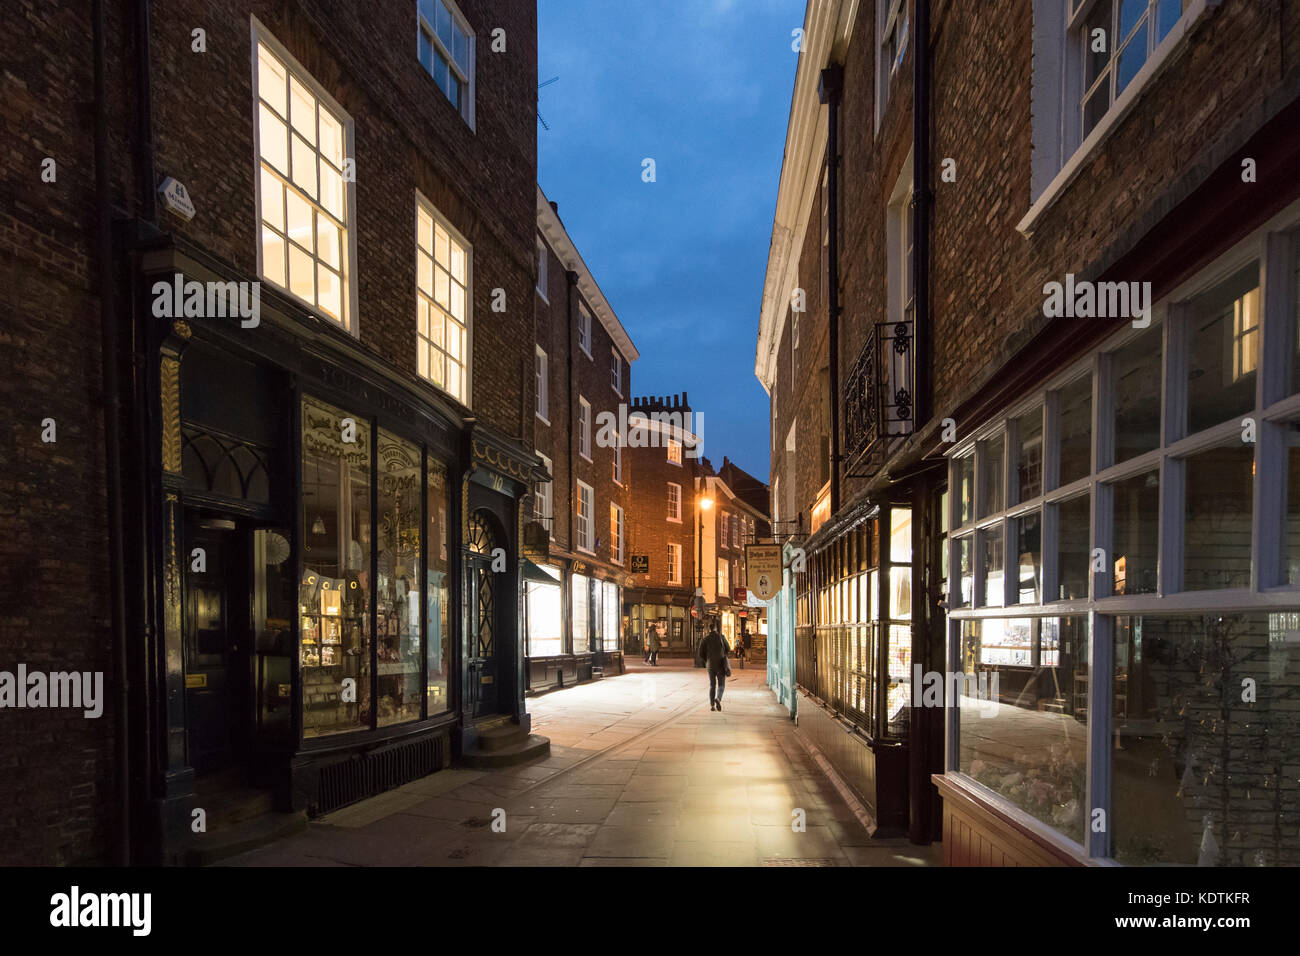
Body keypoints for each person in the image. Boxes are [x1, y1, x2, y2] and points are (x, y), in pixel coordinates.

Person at [697, 623, 731, 711]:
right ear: (716, 629)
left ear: (709, 629)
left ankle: (712, 705)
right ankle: (718, 698)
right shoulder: (721, 637)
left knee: (712, 685)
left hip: (710, 665)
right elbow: (728, 648)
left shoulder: (705, 639)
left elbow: (700, 653)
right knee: (721, 685)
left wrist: (707, 660)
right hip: (720, 664)